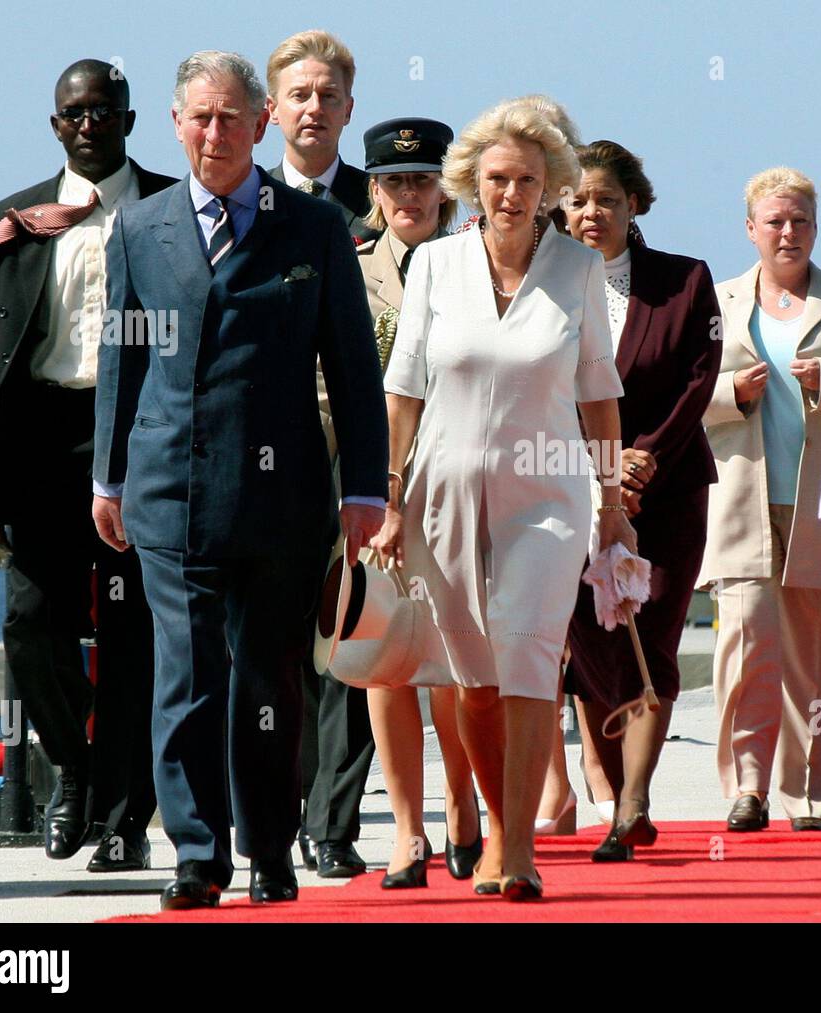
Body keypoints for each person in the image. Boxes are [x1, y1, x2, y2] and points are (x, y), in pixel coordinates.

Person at [91, 51, 388, 910]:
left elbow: (355, 368)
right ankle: (196, 853)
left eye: (231, 118)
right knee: (183, 676)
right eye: (199, 118)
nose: (215, 133)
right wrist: (108, 478)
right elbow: (122, 358)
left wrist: (363, 488)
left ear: (260, 126)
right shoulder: (139, 229)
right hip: (168, 491)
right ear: (177, 125)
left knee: (267, 679)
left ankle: (268, 847)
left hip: (281, 496)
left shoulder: (314, 227)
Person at [372, 99, 635, 900]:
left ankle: (515, 846)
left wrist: (613, 499)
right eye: (496, 178)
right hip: (442, 493)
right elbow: (405, 389)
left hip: (548, 496)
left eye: (526, 179)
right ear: (472, 184)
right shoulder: (434, 267)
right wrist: (387, 499)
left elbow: (598, 393)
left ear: (550, 187)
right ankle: (496, 823)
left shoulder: (579, 269)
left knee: (525, 656)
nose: (511, 193)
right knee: (470, 678)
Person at [0, 59, 174, 870]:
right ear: (56, 125)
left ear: (129, 117)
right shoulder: (19, 217)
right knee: (30, 623)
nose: (89, 123)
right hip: (47, 438)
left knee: (132, 633)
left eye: (104, 110)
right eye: (74, 112)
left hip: (139, 435)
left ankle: (121, 820)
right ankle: (73, 769)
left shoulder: (168, 207)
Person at [699, 167, 821, 836]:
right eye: (774, 220)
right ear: (751, 229)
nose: (788, 232)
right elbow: (688, 401)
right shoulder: (717, 303)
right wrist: (731, 395)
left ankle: (809, 797)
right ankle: (747, 787)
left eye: (801, 220)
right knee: (745, 651)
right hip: (743, 503)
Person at [561, 140, 721, 861]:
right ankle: (612, 788)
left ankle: (632, 803)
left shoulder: (684, 281)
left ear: (635, 205)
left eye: (605, 199)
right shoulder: (541, 284)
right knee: (593, 644)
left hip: (670, 490)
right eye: (577, 199)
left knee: (651, 635)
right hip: (569, 490)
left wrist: (644, 456)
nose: (590, 212)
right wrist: (596, 469)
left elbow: (698, 379)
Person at [354, 116, 484, 888]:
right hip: (372, 485)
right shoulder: (347, 261)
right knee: (385, 664)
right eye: (395, 180)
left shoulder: (477, 262)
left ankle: (461, 807)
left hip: (460, 480)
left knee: (452, 665)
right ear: (374, 189)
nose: (410, 192)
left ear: (446, 186)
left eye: (423, 178)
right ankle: (407, 833)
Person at [264, 27, 379, 880]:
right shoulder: (238, 200)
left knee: (355, 629)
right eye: (297, 94)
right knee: (270, 640)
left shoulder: (393, 201)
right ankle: (279, 805)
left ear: (348, 108)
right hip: (268, 448)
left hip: (364, 445)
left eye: (327, 94)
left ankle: (333, 820)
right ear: (271, 110)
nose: (313, 108)